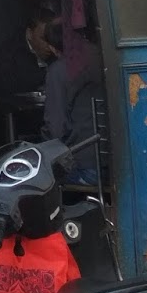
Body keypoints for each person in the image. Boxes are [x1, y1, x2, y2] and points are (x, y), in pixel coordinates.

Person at [42, 19, 104, 182]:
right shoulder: (102, 56)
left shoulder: (59, 71)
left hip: (85, 168)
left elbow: (56, 129)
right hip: (116, 163)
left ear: (53, 48)